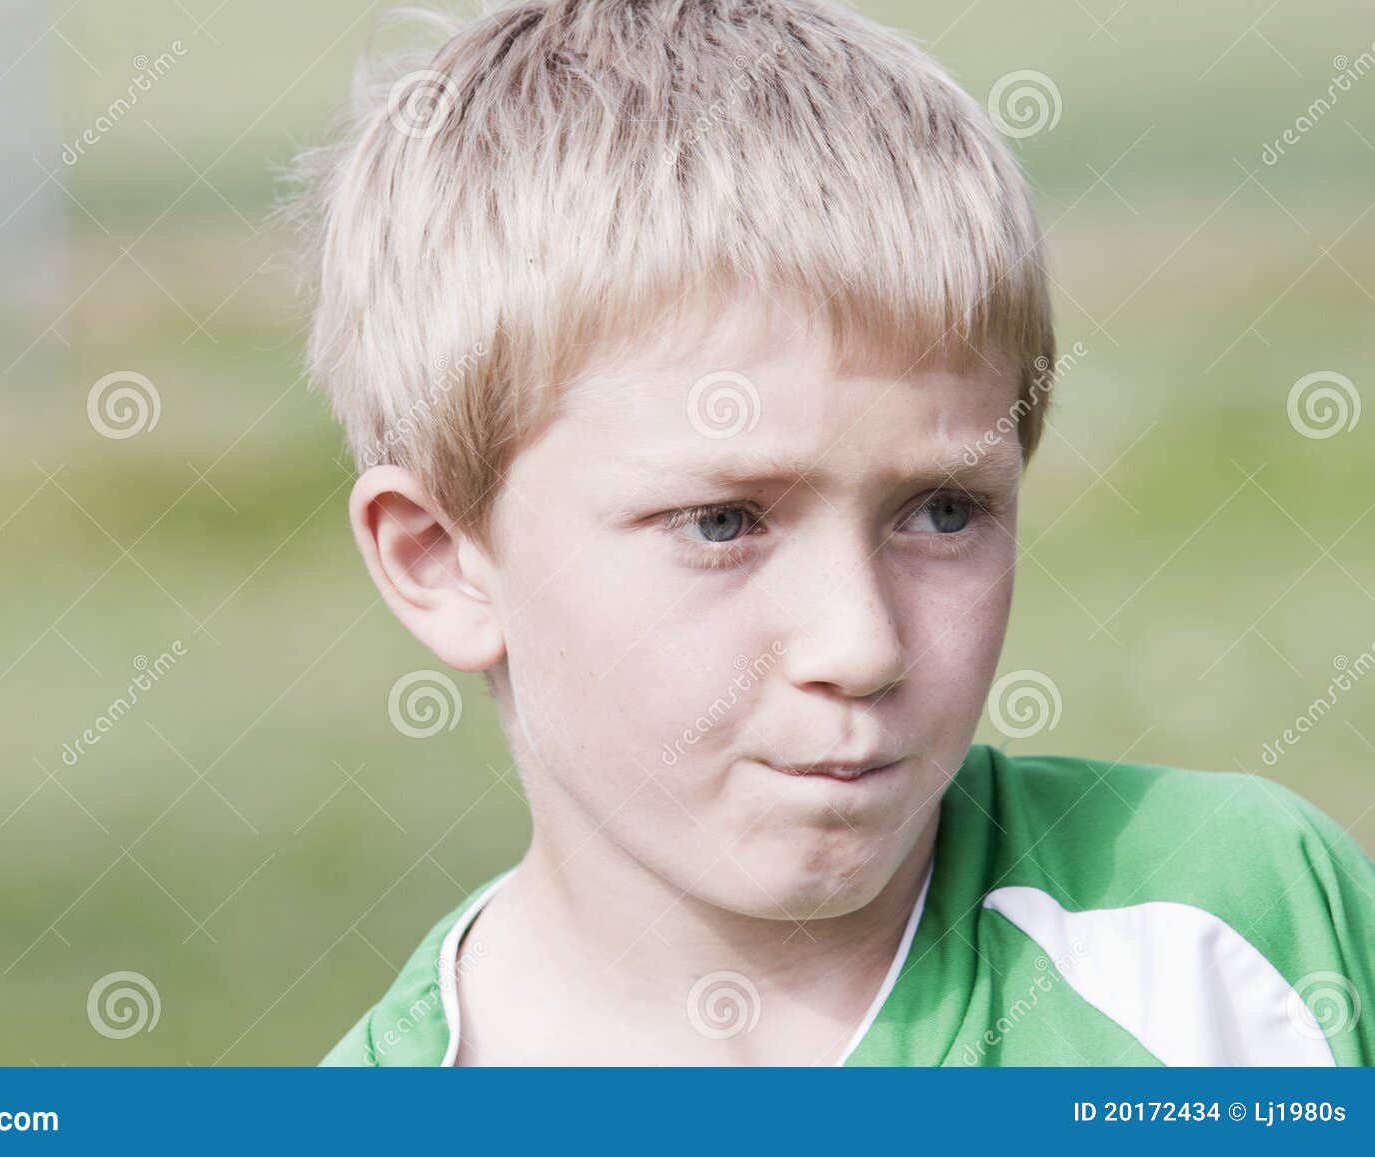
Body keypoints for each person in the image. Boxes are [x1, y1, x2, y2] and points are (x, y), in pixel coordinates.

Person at [288, 0, 1375, 1065]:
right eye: (722, 522)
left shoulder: (1240, 932)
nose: (861, 644)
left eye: (942, 510)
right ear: (439, 559)